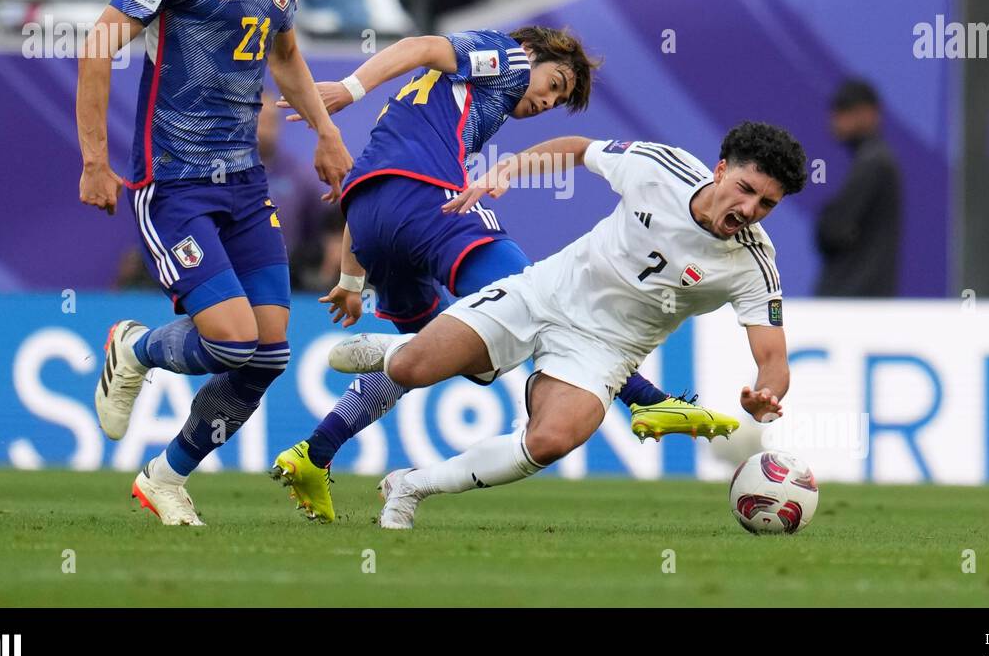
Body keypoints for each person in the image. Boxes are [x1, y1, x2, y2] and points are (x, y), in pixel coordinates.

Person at [268, 27, 741, 522]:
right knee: (539, 296)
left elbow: (371, 188)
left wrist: (349, 279)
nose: (548, 101)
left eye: (559, 100)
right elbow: (424, 45)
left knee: (430, 358)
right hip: (431, 204)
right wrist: (350, 88)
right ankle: (646, 399)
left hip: (369, 221)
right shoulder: (508, 56)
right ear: (533, 55)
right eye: (554, 83)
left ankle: (313, 453)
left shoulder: (436, 109)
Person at [75, 0, 354, 526]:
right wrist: (96, 162)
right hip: (174, 184)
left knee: (266, 356)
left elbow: (285, 57)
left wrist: (324, 133)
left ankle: (165, 477)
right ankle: (134, 349)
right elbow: (98, 43)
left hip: (244, 183)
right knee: (232, 339)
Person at [324, 123, 807, 528]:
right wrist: (512, 166)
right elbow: (578, 149)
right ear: (721, 170)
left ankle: (410, 486)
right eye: (745, 190)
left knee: (549, 441)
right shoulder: (662, 168)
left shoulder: (752, 263)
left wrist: (764, 398)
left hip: (604, 350)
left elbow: (773, 361)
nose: (748, 211)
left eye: (766, 205)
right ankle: (396, 352)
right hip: (545, 293)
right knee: (411, 370)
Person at [814, 79, 902, 297]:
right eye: (837, 111)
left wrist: (827, 219)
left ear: (871, 113)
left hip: (855, 302)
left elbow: (833, 230)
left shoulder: (874, 163)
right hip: (860, 300)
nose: (837, 119)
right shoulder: (873, 160)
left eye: (847, 110)